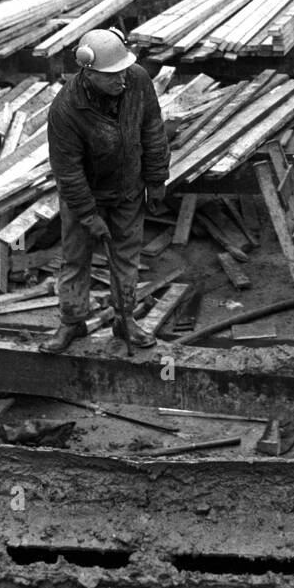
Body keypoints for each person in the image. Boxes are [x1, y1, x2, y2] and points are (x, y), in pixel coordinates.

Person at [42, 27, 170, 354]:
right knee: (75, 258)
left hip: (128, 187)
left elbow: (153, 130)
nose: (121, 80)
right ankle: (72, 322)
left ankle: (124, 319)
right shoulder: (66, 109)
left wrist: (156, 181)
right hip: (85, 195)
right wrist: (87, 215)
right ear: (88, 71)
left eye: (123, 71)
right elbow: (67, 171)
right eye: (112, 76)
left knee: (127, 255)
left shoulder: (137, 79)